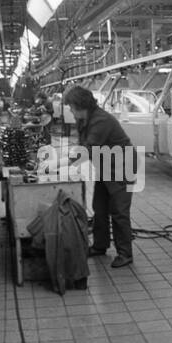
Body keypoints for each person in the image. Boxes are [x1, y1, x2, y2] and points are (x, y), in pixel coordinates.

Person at [64, 85, 135, 269]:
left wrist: (58, 164)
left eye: (71, 107)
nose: (70, 111)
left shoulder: (101, 120)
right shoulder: (85, 120)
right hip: (105, 167)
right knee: (99, 207)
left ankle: (125, 254)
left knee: (119, 212)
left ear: (80, 105)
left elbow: (88, 149)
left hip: (122, 167)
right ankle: (100, 245)